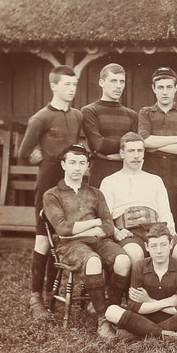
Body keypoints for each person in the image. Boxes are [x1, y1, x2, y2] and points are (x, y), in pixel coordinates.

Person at [42, 144, 131, 339]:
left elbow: (108, 226)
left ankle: (112, 309)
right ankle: (102, 320)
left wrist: (90, 228)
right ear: (63, 165)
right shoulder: (52, 195)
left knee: (124, 261)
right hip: (69, 246)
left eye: (81, 163)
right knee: (93, 261)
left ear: (87, 167)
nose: (77, 168)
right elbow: (63, 229)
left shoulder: (95, 193)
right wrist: (94, 222)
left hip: (98, 240)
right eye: (72, 162)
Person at [19, 65, 83, 321]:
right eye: (66, 84)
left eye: (74, 84)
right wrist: (43, 159)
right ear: (54, 86)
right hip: (47, 183)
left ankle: (50, 292)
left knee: (63, 237)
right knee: (43, 238)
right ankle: (36, 297)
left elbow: (80, 142)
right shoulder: (41, 117)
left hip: (71, 183)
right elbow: (24, 152)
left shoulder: (77, 115)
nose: (71, 89)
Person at [101, 223, 177, 343]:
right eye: (154, 246)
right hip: (145, 316)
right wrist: (168, 302)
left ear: (171, 245)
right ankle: (169, 335)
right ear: (146, 247)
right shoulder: (140, 266)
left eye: (163, 245)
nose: (159, 251)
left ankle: (140, 333)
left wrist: (148, 301)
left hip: (172, 318)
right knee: (111, 311)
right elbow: (134, 306)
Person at [99, 132, 177, 266]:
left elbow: (165, 211)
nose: (136, 155)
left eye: (140, 150)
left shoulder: (155, 180)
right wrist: (116, 231)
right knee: (134, 253)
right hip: (129, 232)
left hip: (156, 229)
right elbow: (104, 215)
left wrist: (170, 227)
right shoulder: (109, 181)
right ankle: (136, 287)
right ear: (122, 153)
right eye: (131, 151)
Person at [137, 67, 177, 230]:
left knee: (175, 217)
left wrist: (156, 146)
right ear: (153, 89)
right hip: (151, 171)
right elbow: (143, 141)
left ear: (175, 88)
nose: (165, 92)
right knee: (151, 215)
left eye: (169, 87)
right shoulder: (146, 113)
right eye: (161, 87)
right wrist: (176, 139)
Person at [81, 62, 138, 188]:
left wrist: (118, 155)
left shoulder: (132, 115)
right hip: (101, 173)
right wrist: (125, 151)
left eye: (121, 82)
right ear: (102, 83)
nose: (118, 86)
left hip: (126, 174)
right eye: (113, 81)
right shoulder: (89, 111)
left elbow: (136, 145)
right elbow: (98, 144)